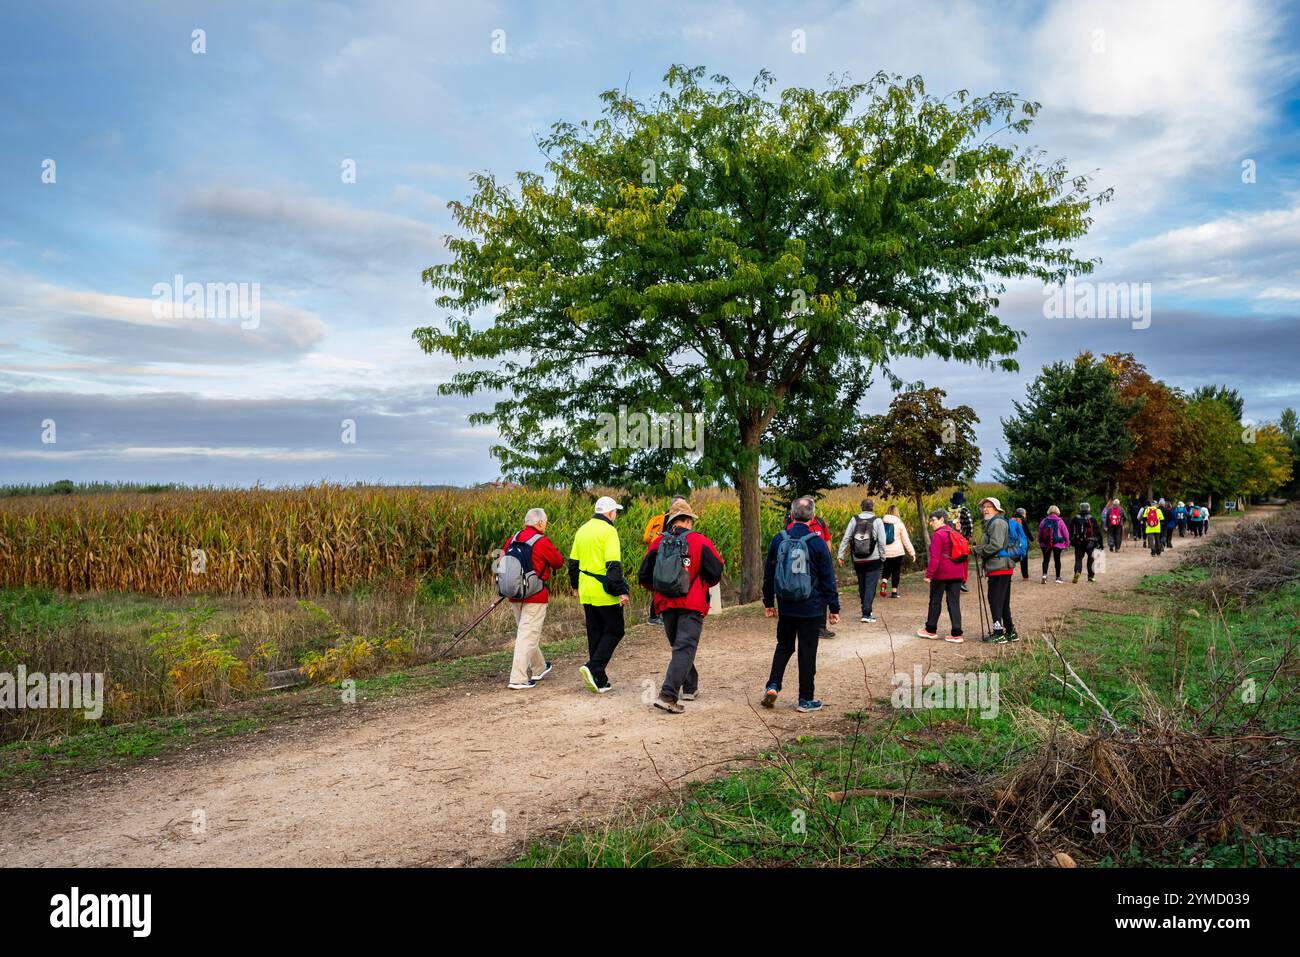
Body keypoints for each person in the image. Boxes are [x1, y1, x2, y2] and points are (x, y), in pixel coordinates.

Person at [638, 499, 724, 714]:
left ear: (671, 521)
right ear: (687, 520)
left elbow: (644, 576)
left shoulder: (657, 543)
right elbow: (715, 572)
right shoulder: (700, 541)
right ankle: (668, 695)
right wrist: (700, 584)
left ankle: (690, 686)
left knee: (680, 646)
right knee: (684, 647)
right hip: (691, 602)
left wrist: (659, 590)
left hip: (665, 603)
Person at [762, 496, 841, 713]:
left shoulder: (779, 539)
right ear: (813, 516)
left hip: (786, 604)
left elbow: (769, 574)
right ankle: (805, 699)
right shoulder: (816, 542)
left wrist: (769, 602)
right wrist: (834, 608)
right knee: (807, 651)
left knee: (784, 646)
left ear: (792, 513)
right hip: (812, 606)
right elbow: (828, 577)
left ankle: (773, 685)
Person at [568, 496, 630, 693]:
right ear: (610, 513)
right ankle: (593, 667)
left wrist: (575, 586)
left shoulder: (582, 529)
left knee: (595, 632)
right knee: (615, 630)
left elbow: (573, 563)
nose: (616, 516)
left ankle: (599, 679)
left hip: (586, 590)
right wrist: (621, 590)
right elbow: (613, 565)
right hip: (604, 591)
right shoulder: (609, 531)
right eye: (616, 513)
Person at [500, 508, 567, 690]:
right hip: (535, 596)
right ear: (539, 523)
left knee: (527, 633)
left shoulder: (513, 538)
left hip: (514, 595)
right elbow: (558, 562)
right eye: (545, 522)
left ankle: (539, 667)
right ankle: (518, 678)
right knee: (527, 635)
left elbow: (501, 559)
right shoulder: (541, 541)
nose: (545, 525)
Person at [916, 508, 966, 643]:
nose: (931, 523)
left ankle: (930, 630)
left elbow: (935, 559)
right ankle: (957, 633)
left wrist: (929, 575)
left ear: (942, 519)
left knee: (935, 600)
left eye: (933, 520)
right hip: (957, 573)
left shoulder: (939, 535)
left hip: (942, 574)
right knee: (954, 602)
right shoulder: (954, 533)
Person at [786, 505, 835, 637]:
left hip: (817, 566)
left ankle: (821, 627)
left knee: (821, 594)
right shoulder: (791, 526)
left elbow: (827, 540)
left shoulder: (820, 522)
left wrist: (827, 558)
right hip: (799, 567)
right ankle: (798, 626)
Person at [973, 497, 1017, 643]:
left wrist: (978, 549)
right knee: (1002, 601)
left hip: (999, 566)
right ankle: (1010, 631)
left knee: (995, 600)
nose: (985, 509)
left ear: (997, 509)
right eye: (984, 507)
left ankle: (998, 633)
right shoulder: (996, 522)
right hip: (1002, 566)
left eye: (989, 507)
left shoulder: (997, 522)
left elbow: (996, 545)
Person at [836, 498, 887, 623]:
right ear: (872, 507)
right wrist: (883, 557)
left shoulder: (854, 520)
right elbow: (882, 541)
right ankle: (866, 613)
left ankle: (865, 609)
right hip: (873, 558)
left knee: (862, 584)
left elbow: (846, 538)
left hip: (857, 558)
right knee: (870, 585)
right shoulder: (878, 521)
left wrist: (840, 555)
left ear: (861, 507)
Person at [642, 495, 687, 625]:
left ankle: (658, 614)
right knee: (663, 583)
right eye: (681, 504)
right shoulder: (671, 519)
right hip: (665, 556)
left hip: (664, 556)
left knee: (664, 583)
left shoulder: (668, 517)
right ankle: (655, 615)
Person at [879, 504, 917, 597]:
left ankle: (884, 582)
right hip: (897, 552)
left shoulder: (881, 523)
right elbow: (906, 540)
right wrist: (912, 553)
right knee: (896, 571)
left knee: (886, 569)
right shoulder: (899, 524)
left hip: (885, 552)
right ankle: (894, 592)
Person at [1068, 502, 1100, 583]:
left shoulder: (1075, 518)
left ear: (1080, 509)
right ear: (1089, 508)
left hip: (1078, 542)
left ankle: (1077, 572)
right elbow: (1097, 532)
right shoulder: (1092, 519)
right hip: (1090, 542)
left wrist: (1070, 540)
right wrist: (1099, 543)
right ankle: (1091, 577)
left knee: (1078, 559)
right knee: (1091, 559)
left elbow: (1070, 530)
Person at [1037, 505, 1070, 583]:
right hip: (1057, 543)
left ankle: (1044, 575)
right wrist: (1067, 543)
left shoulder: (1044, 521)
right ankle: (1058, 578)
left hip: (1045, 543)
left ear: (1049, 511)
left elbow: (1040, 532)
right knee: (1057, 560)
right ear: (1057, 512)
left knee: (1046, 559)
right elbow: (1065, 533)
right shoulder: (1060, 521)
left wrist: (1040, 541)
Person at [950, 491, 974, 592]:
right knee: (964, 559)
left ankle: (953, 579)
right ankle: (962, 580)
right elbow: (969, 524)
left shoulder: (950, 510)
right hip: (962, 538)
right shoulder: (964, 510)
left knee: (953, 558)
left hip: (952, 538)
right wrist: (969, 536)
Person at [1011, 508, 1030, 580]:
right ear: (1023, 514)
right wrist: (1031, 539)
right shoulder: (1022, 520)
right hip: (1022, 542)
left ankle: (1009, 576)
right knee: (1024, 559)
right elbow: (1027, 531)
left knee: (1011, 558)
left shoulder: (1011, 520)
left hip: (1012, 542)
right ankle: (1025, 576)